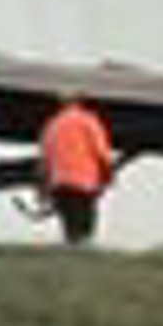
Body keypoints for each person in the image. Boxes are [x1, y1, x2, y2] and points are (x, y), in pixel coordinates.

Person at [38, 92, 116, 246]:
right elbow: (101, 152)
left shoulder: (52, 125)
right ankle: (83, 255)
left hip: (60, 183)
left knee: (70, 227)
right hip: (84, 183)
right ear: (81, 102)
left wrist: (43, 188)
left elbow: (44, 162)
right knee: (85, 228)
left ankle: (72, 253)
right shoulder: (88, 121)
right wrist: (108, 175)